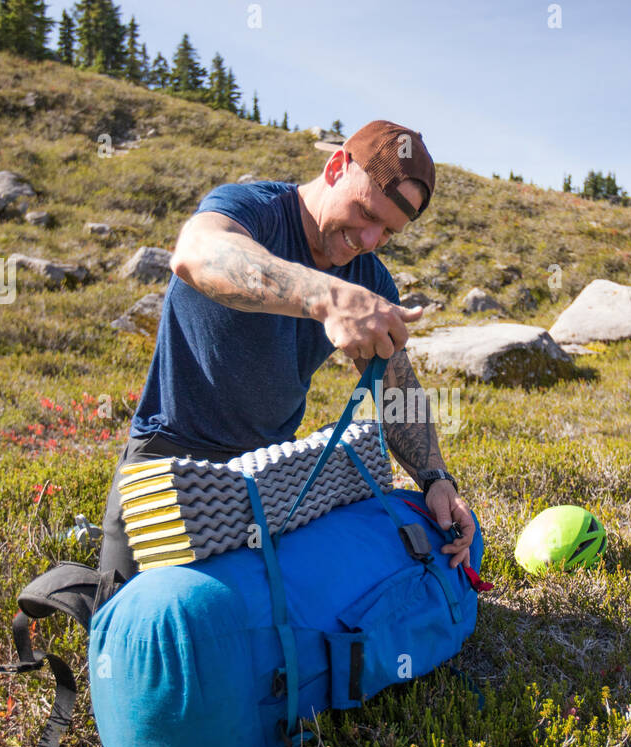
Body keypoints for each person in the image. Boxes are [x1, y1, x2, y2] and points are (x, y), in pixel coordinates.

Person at [97, 119, 474, 582]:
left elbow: (396, 386)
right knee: (125, 628)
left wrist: (436, 480)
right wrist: (326, 298)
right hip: (168, 466)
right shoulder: (251, 209)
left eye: (389, 233)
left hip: (269, 478)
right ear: (336, 167)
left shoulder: (369, 277)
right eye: (367, 214)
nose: (370, 241)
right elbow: (197, 255)